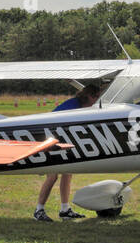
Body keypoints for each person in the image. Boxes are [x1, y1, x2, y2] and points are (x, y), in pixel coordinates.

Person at [34, 82, 103, 222]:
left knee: (67, 172)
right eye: (97, 98)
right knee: (52, 176)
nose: (97, 101)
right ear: (90, 96)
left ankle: (65, 210)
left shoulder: (81, 105)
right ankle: (38, 210)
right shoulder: (73, 107)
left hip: (60, 139)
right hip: (50, 138)